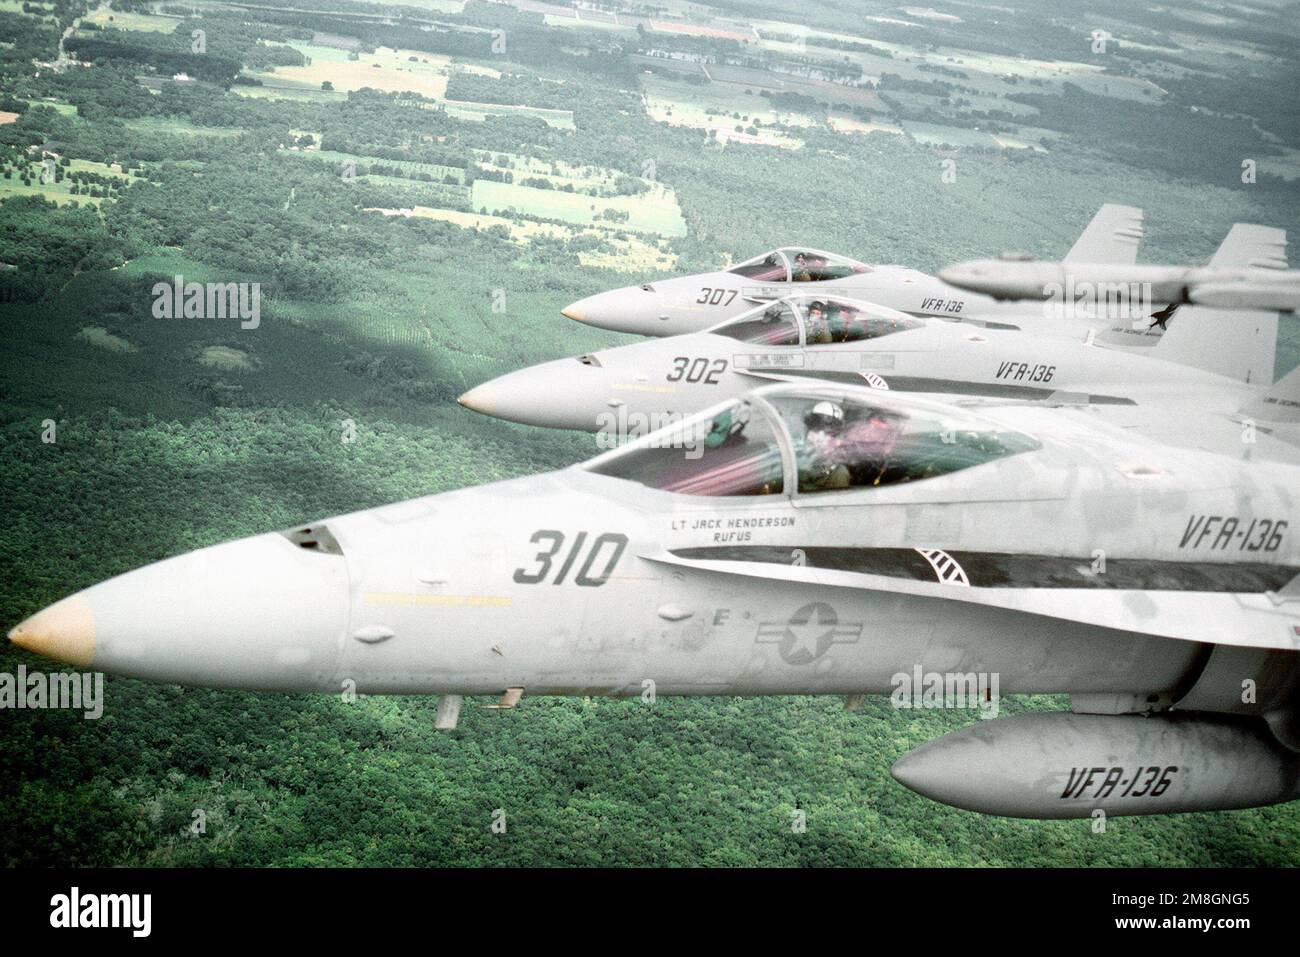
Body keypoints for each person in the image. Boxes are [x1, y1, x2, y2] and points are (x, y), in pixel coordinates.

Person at [799, 400, 851, 491]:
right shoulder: (796, 456)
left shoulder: (838, 473)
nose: (820, 438)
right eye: (816, 429)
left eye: (829, 434)